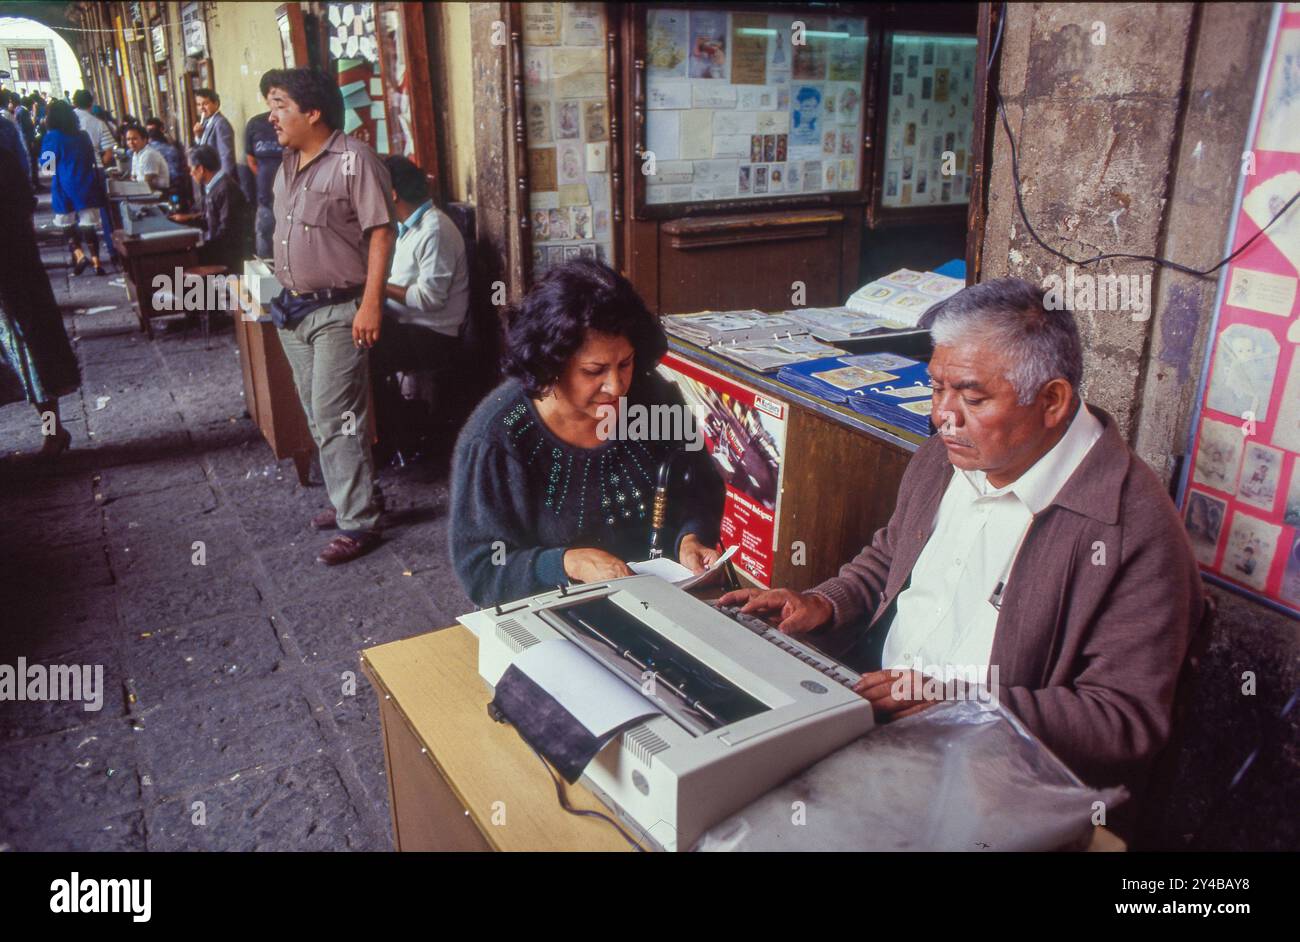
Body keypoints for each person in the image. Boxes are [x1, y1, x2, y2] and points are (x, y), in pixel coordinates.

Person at [719, 278, 1202, 795]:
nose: (942, 416)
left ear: (1053, 400)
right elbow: (892, 553)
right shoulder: (949, 455)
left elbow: (1123, 719)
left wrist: (965, 702)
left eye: (972, 397)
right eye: (935, 388)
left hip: (995, 776)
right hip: (878, 721)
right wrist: (824, 602)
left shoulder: (1132, 532)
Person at [450, 259, 725, 607]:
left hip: (662, 602)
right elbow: (482, 570)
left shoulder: (651, 398)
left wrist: (691, 537)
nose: (616, 386)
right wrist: (568, 563)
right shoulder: (499, 437)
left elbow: (699, 485)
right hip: (551, 616)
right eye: (594, 370)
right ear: (551, 364)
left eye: (624, 363)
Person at [266, 67, 397, 566]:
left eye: (280, 104)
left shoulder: (354, 160)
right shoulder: (287, 162)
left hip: (340, 310)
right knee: (320, 415)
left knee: (336, 416)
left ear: (312, 112)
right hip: (293, 308)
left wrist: (370, 303)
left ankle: (359, 523)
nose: (271, 115)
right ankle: (359, 498)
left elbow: (382, 232)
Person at [0, 114, 81, 460]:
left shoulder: (4, 156)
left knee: (34, 362)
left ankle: (53, 431)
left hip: (13, 276)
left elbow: (26, 201)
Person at [371, 155, 469, 374]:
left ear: (393, 194)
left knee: (356, 341)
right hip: (409, 328)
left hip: (432, 338)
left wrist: (374, 285)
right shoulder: (406, 228)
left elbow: (430, 299)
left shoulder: (434, 230)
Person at [42, 99, 108, 277]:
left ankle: (79, 255)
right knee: (89, 224)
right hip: (87, 183)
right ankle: (97, 263)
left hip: (64, 185)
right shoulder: (83, 135)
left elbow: (47, 167)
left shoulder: (52, 137)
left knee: (67, 223)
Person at [169, 144, 249, 272]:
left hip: (226, 257)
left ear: (200, 169)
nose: (190, 173)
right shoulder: (215, 186)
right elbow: (212, 215)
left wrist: (198, 241)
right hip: (217, 247)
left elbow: (226, 231)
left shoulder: (225, 189)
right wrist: (188, 218)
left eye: (191, 169)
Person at [245, 72, 285, 258]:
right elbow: (251, 159)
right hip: (265, 202)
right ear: (265, 98)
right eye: (272, 97)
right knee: (264, 254)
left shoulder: (291, 124)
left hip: (290, 204)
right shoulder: (255, 124)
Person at [191, 87, 235, 177]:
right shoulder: (206, 122)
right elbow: (202, 150)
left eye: (205, 104)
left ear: (216, 104)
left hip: (217, 177)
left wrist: (224, 180)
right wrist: (198, 136)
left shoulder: (220, 123)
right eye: (198, 104)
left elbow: (226, 156)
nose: (201, 108)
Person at [71, 90, 114, 165]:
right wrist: (100, 167)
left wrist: (48, 172)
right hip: (94, 167)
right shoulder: (99, 123)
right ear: (91, 102)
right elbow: (109, 153)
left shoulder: (66, 120)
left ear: (74, 103)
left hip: (72, 168)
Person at [124, 124, 169, 190]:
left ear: (144, 140)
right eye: (128, 139)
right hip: (143, 190)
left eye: (134, 139)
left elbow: (147, 184)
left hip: (158, 192)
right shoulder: (136, 154)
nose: (131, 142)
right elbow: (133, 178)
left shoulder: (149, 154)